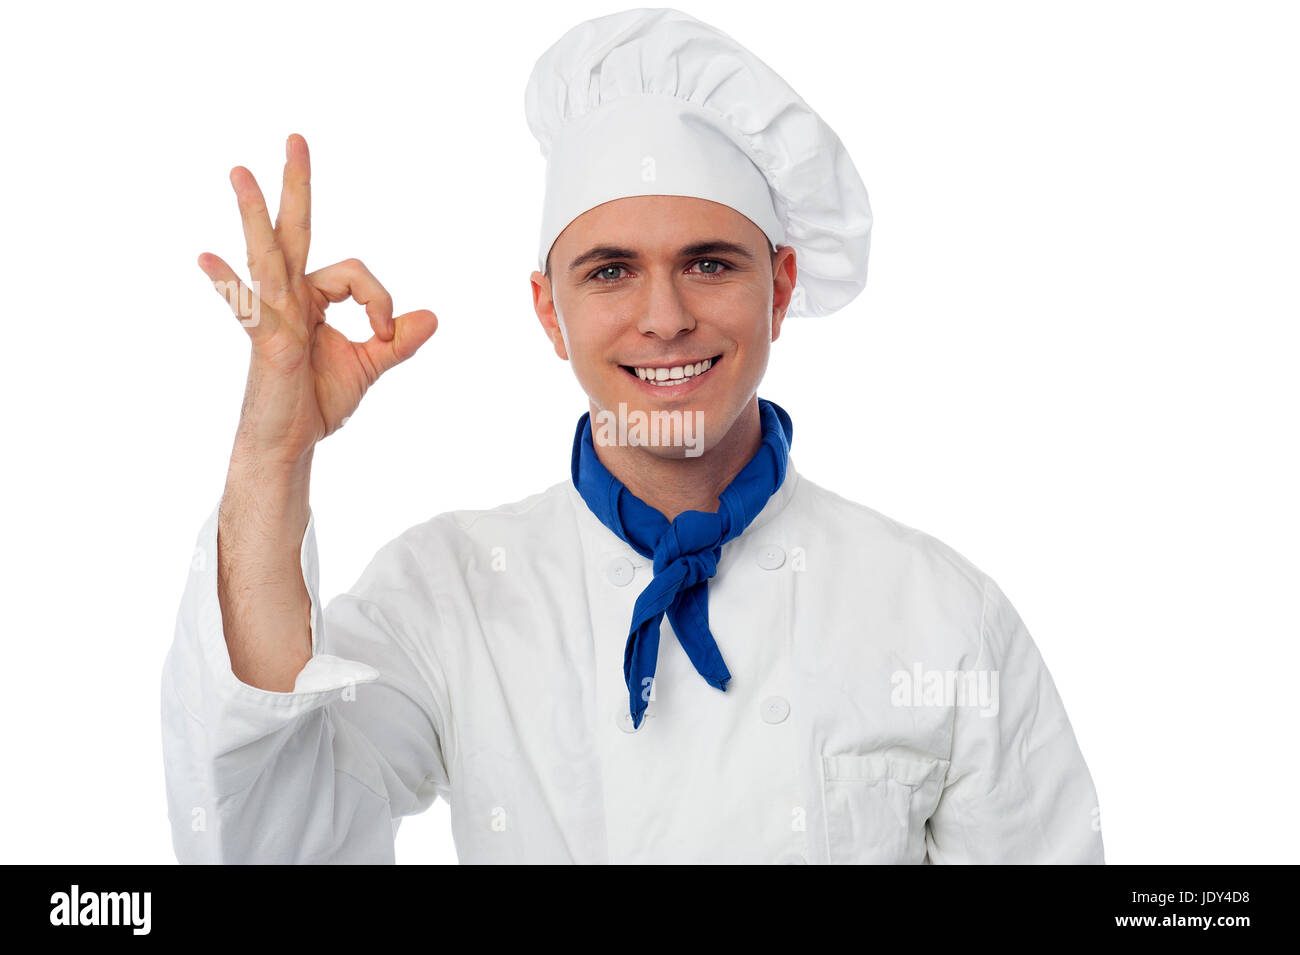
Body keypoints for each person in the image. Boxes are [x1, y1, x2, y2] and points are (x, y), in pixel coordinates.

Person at [161, 6, 1105, 864]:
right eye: (610, 271)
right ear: (549, 310)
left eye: (709, 264)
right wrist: (274, 449)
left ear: (779, 289)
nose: (665, 318)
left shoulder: (940, 616)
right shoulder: (451, 594)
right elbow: (265, 840)